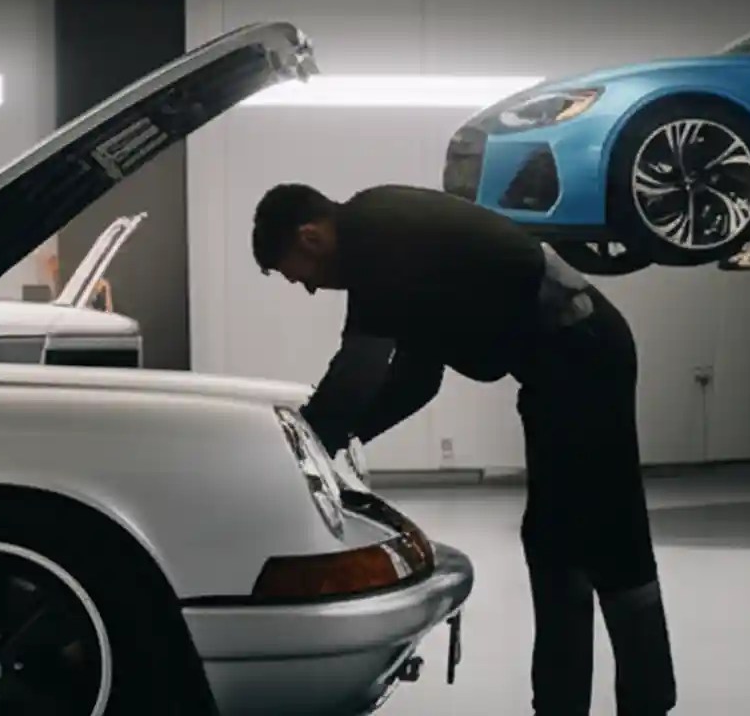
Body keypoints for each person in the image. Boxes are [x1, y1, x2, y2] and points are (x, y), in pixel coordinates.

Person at [251, 183, 676, 715]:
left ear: (309, 237)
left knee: (580, 538)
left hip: (581, 353)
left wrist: (301, 450)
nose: (312, 288)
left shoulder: (376, 236)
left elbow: (357, 369)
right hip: (571, 360)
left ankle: (606, 701)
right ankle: (619, 698)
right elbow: (415, 381)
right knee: (580, 536)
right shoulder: (393, 240)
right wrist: (340, 443)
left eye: (302, 276)